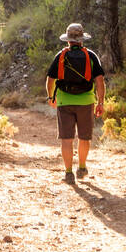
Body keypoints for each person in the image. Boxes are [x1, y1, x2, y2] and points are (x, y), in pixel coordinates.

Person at [45, 23, 105, 184]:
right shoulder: (91, 56)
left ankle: (68, 172)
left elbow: (50, 80)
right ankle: (82, 167)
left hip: (64, 102)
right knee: (84, 137)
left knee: (67, 139)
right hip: (86, 102)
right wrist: (101, 102)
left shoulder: (61, 56)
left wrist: (51, 97)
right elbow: (99, 81)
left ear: (68, 40)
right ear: (82, 39)